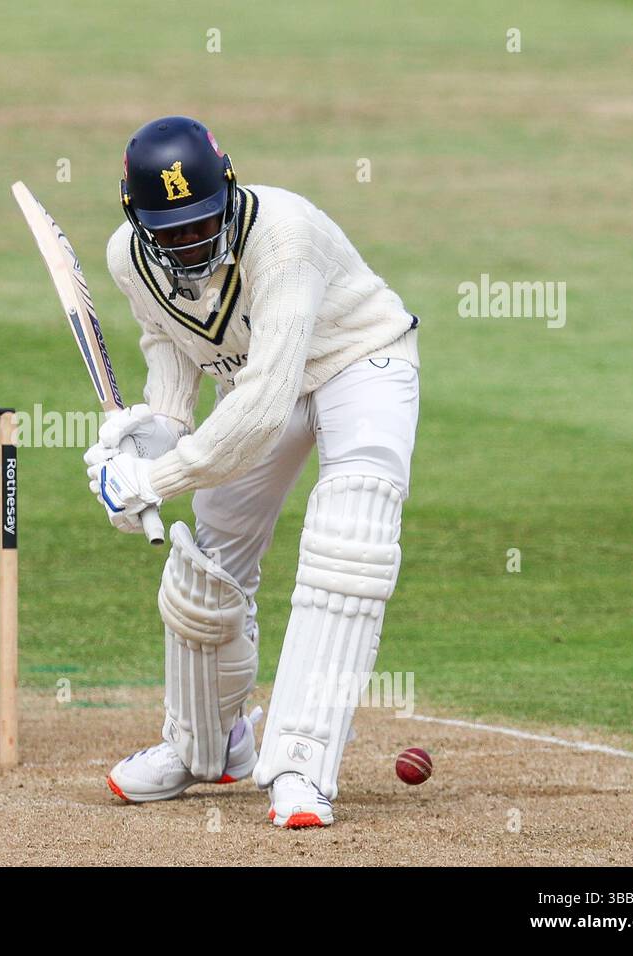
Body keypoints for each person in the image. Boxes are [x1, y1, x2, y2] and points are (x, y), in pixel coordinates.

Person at [87, 117, 420, 827]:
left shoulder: (284, 239)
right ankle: (206, 747)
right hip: (255, 384)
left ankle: (301, 762)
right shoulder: (129, 258)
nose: (188, 242)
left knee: (348, 538)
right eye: (168, 231)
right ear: (137, 221)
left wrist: (159, 479)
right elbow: (170, 345)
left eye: (201, 223)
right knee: (209, 569)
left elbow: (266, 406)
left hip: (357, 360)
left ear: (229, 193)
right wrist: (152, 435)